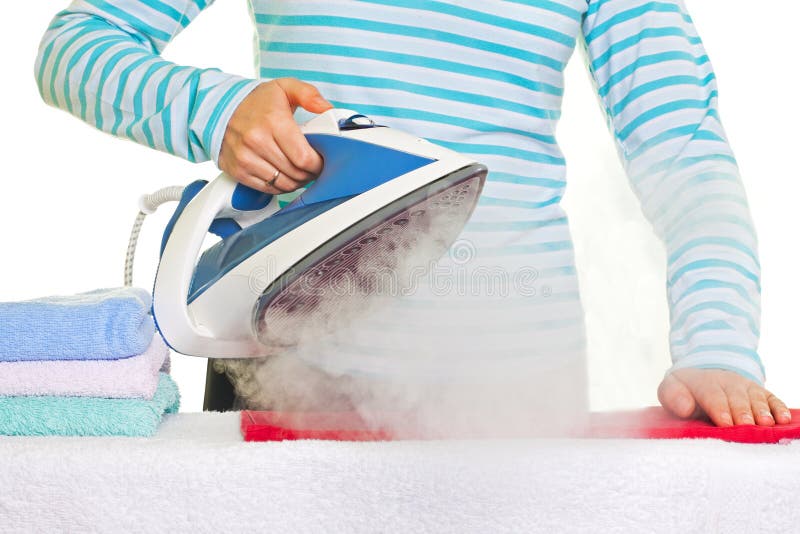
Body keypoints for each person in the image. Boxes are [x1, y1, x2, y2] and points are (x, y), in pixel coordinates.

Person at [35, 0, 790, 427]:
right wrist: (220, 108)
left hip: (511, 391)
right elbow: (76, 45)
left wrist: (717, 346)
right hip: (291, 376)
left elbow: (685, 155)